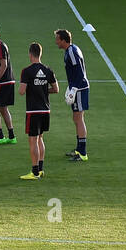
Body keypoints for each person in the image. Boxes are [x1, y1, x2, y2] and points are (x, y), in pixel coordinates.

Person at [17, 43, 57, 180]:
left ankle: (34, 172)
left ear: (30, 54)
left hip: (33, 111)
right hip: (46, 109)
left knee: (33, 140)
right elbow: (56, 89)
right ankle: (40, 169)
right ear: (40, 53)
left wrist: (32, 89)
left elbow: (21, 91)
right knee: (40, 138)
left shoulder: (26, 71)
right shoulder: (48, 70)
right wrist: (43, 91)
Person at [55, 29, 89, 161]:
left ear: (63, 40)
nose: (56, 42)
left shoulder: (72, 52)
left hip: (80, 89)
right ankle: (79, 149)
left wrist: (73, 89)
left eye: (57, 39)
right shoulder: (71, 50)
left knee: (79, 118)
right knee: (76, 119)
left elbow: (80, 72)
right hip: (77, 88)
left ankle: (83, 153)